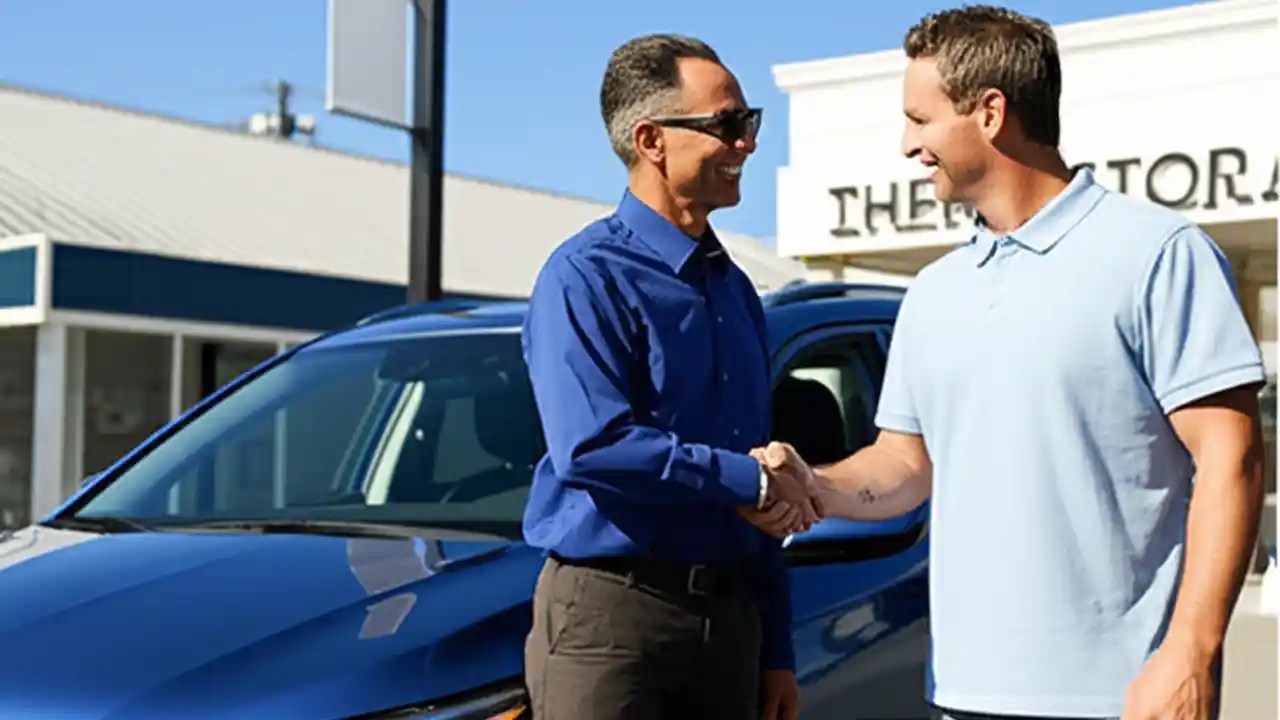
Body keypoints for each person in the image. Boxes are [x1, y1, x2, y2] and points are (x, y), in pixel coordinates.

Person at [757, 6, 1267, 720]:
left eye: (920, 119)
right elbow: (905, 465)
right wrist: (814, 483)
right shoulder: (934, 292)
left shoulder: (1157, 255)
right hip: (958, 695)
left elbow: (1232, 457)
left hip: (1120, 699)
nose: (908, 145)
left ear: (990, 112)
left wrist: (1191, 653)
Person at [519, 33, 816, 720]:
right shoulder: (584, 278)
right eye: (728, 125)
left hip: (730, 622)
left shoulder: (736, 290)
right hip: (612, 623)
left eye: (749, 123)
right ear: (651, 140)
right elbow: (593, 447)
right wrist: (750, 478)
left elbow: (756, 462)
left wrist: (776, 650)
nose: (746, 143)